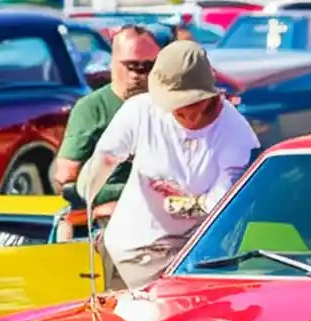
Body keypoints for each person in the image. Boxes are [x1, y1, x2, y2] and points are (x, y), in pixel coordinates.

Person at [78, 40, 261, 290]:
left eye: (191, 105)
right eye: (175, 107)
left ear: (208, 96)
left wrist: (182, 202)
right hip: (127, 253)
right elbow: (105, 158)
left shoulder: (236, 133)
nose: (184, 114)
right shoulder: (141, 110)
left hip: (192, 260)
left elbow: (223, 204)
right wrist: (89, 188)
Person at [53, 25, 160, 290]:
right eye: (131, 66)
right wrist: (114, 201)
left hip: (168, 219)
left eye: (148, 66)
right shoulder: (93, 108)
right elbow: (66, 178)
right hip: (112, 223)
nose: (140, 74)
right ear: (113, 63)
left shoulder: (166, 105)